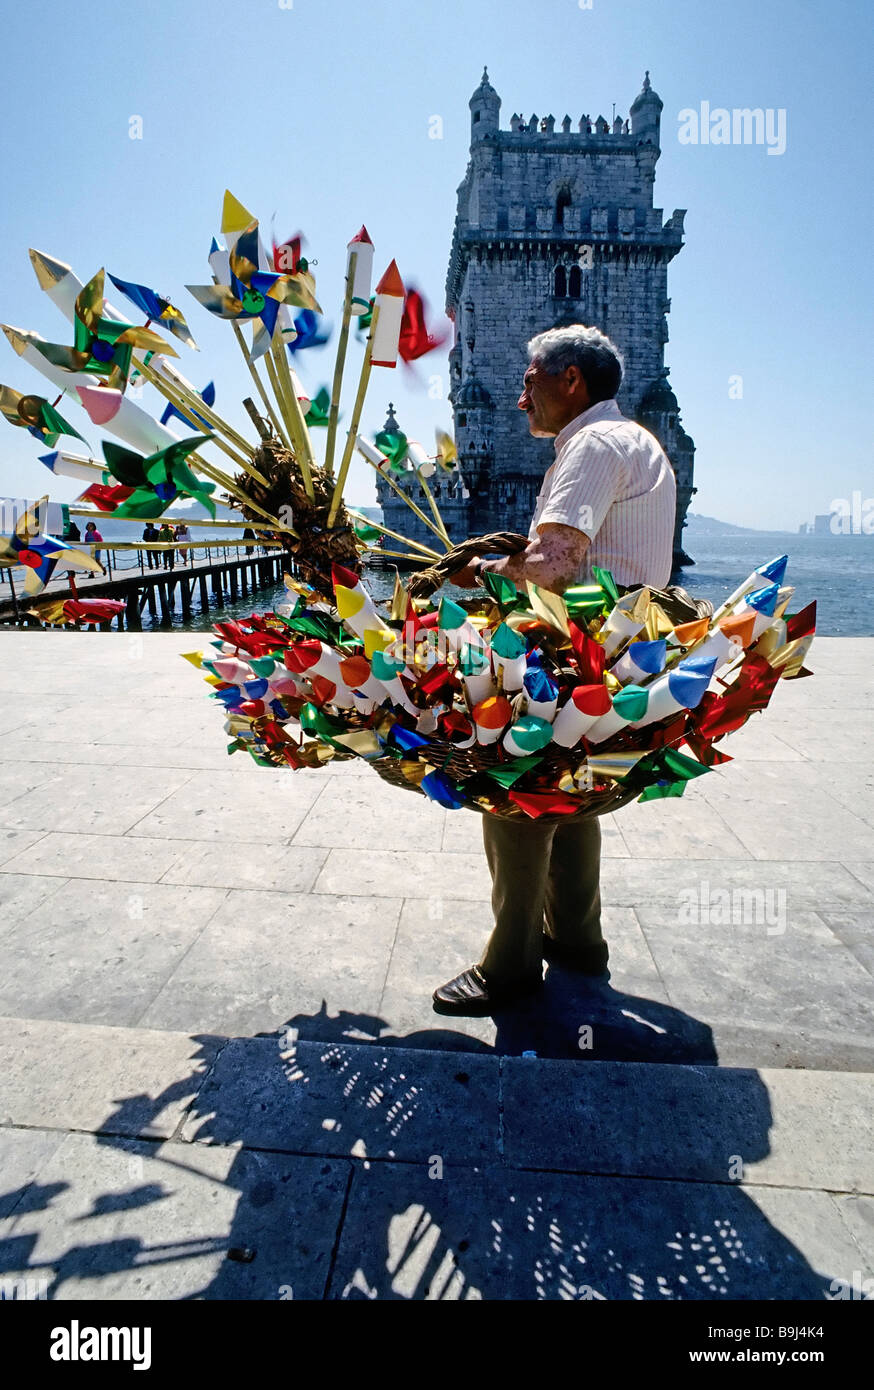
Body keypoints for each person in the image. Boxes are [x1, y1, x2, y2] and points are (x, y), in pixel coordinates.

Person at [432, 323, 676, 1017]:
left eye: (531, 380)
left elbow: (556, 564)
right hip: (625, 655)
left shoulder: (594, 446)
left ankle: (509, 967)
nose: (519, 399)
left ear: (572, 380)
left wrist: (487, 570)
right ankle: (577, 943)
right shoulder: (639, 441)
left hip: (572, 654)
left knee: (513, 791)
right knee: (574, 796)